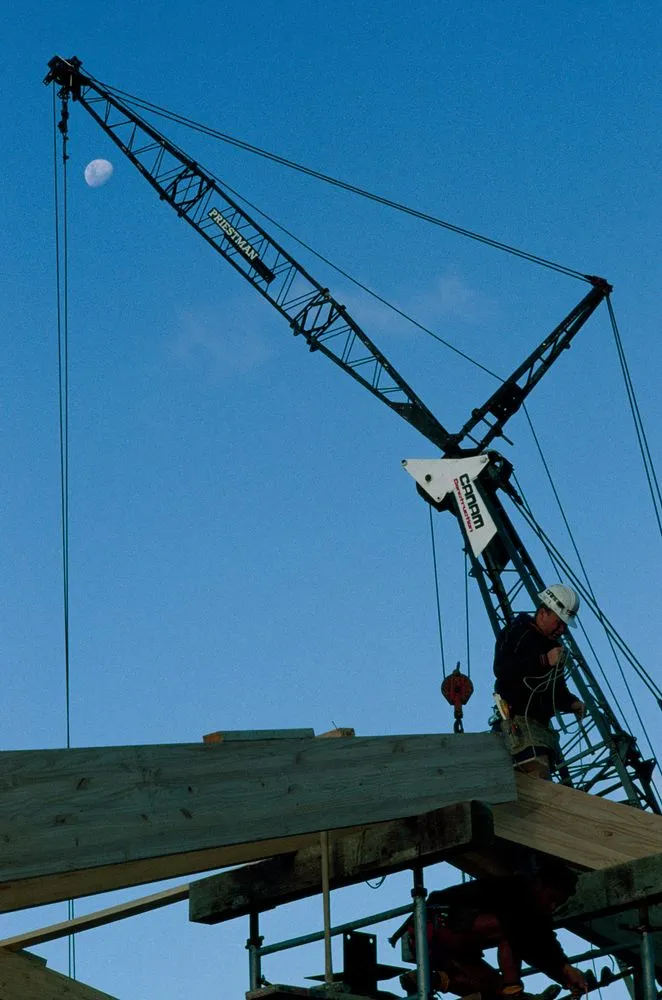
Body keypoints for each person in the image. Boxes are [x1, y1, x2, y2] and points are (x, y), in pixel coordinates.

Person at [399, 861, 588, 1000]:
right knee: (516, 928)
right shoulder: (518, 891)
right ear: (539, 884)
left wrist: (564, 970)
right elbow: (531, 940)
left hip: (438, 941)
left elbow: (542, 942)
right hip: (438, 924)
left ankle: (433, 980)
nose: (553, 907)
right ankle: (513, 992)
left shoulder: (533, 911)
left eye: (559, 903)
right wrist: (562, 969)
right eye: (552, 899)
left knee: (493, 989)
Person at [493, 585, 585, 779]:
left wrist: (571, 703)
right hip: (519, 724)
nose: (562, 630)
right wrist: (543, 660)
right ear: (543, 613)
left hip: (540, 730)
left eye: (564, 626)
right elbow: (503, 670)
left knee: (546, 782)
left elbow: (556, 690)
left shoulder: (554, 647)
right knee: (539, 779)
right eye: (559, 623)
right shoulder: (518, 632)